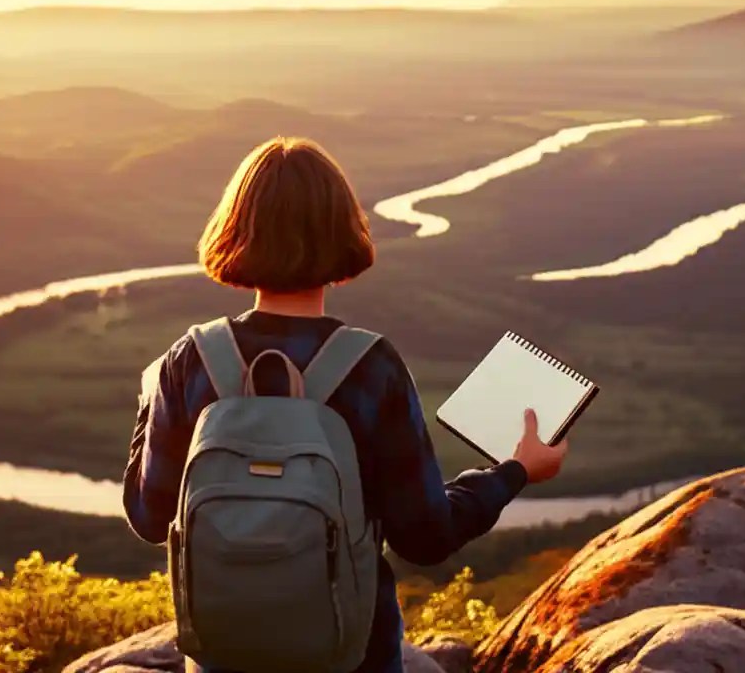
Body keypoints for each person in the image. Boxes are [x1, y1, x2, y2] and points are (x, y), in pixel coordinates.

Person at [123, 136, 569, 673]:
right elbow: (425, 536)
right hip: (352, 657)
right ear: (341, 234)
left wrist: (149, 407)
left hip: (224, 656)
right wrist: (516, 470)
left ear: (235, 231)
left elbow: (149, 517)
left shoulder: (188, 362)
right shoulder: (369, 367)